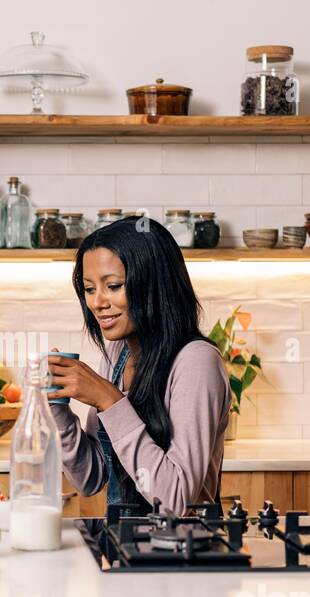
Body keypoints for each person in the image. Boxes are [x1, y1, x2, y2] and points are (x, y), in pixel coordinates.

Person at [46, 216, 232, 514]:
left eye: (113, 286)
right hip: (127, 552)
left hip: (186, 554)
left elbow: (177, 499)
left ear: (155, 285)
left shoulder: (196, 361)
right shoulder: (117, 353)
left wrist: (109, 400)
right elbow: (91, 478)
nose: (97, 302)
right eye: (89, 289)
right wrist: (56, 405)